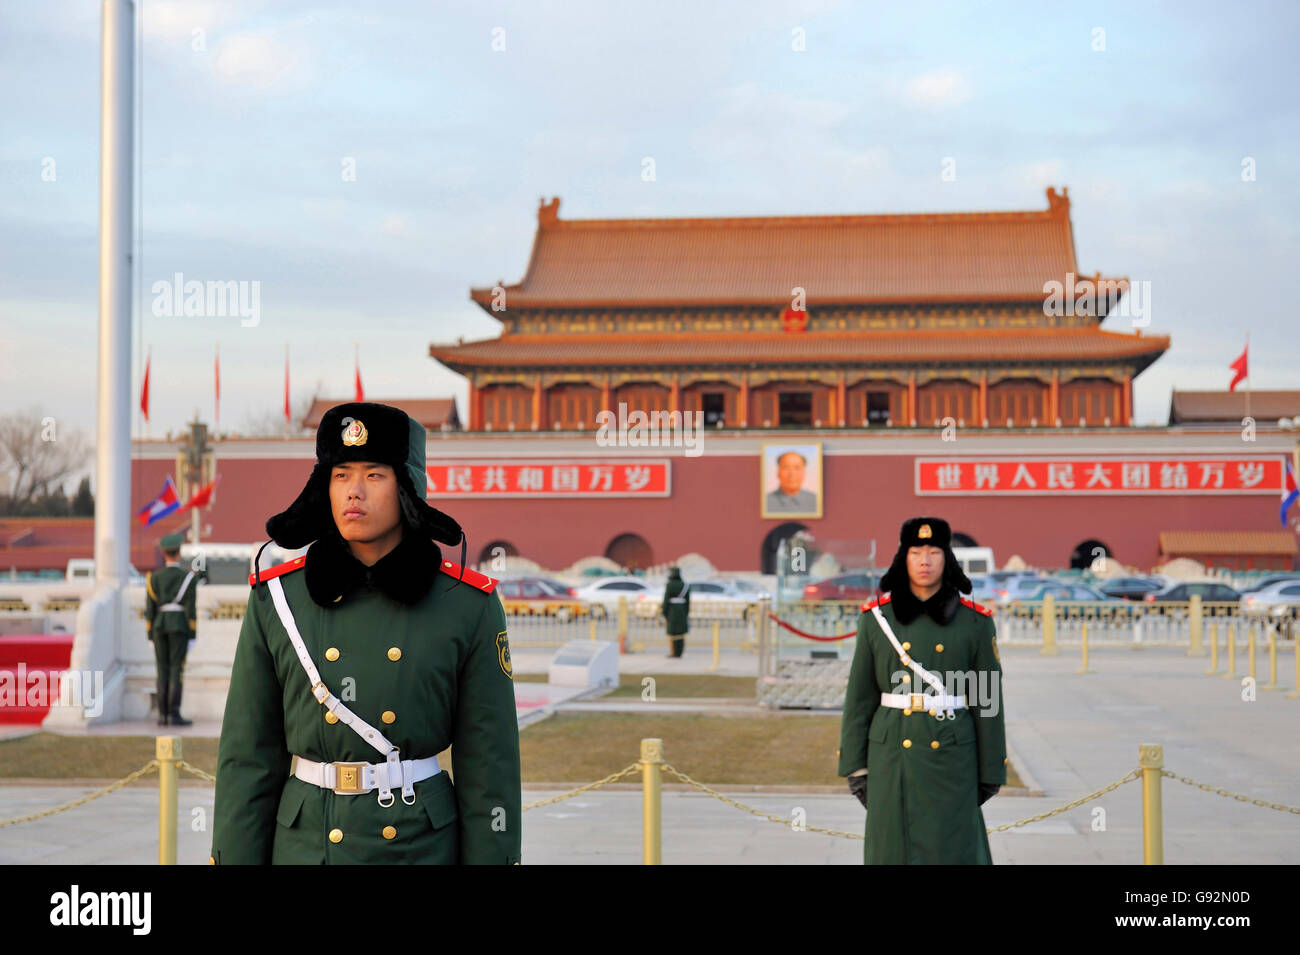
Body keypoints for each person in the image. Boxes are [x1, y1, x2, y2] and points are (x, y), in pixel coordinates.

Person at [210, 402, 521, 864]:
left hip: (418, 845)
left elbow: (489, 765)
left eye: (374, 475)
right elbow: (248, 756)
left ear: (408, 486)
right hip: (307, 846)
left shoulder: (465, 605)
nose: (354, 492)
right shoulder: (278, 600)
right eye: (340, 475)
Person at [837, 516, 1007, 864]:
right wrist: (856, 766)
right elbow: (859, 699)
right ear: (904, 558)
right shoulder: (877, 620)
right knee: (892, 851)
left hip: (952, 756)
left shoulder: (975, 621)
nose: (925, 561)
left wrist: (991, 770)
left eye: (934, 552)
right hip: (892, 757)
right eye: (916, 552)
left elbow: (987, 702)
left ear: (947, 559)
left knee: (953, 851)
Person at [144, 531, 198, 726]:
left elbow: (149, 610)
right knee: (177, 669)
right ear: (178, 553)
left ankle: (162, 715)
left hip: (159, 625)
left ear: (164, 553)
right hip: (179, 626)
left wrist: (149, 635)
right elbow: (191, 609)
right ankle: (174, 714)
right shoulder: (187, 578)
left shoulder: (153, 578)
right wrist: (193, 634)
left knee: (162, 669)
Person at [661, 566, 690, 658]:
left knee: (673, 632)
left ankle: (674, 652)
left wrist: (664, 612)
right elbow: (688, 601)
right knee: (680, 632)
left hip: (672, 610)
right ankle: (680, 652)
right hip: (682, 610)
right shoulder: (685, 585)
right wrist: (686, 612)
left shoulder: (669, 585)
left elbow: (666, 600)